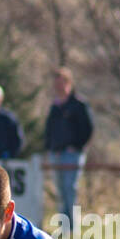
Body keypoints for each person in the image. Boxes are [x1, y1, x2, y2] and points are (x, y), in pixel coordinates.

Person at [43, 67, 93, 220]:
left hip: (72, 154)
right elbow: (49, 130)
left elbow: (88, 128)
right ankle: (63, 224)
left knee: (70, 188)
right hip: (56, 153)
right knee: (59, 190)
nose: (59, 88)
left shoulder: (78, 105)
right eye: (56, 85)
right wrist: (50, 148)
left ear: (69, 84)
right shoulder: (55, 106)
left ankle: (72, 225)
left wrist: (76, 146)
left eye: (61, 84)